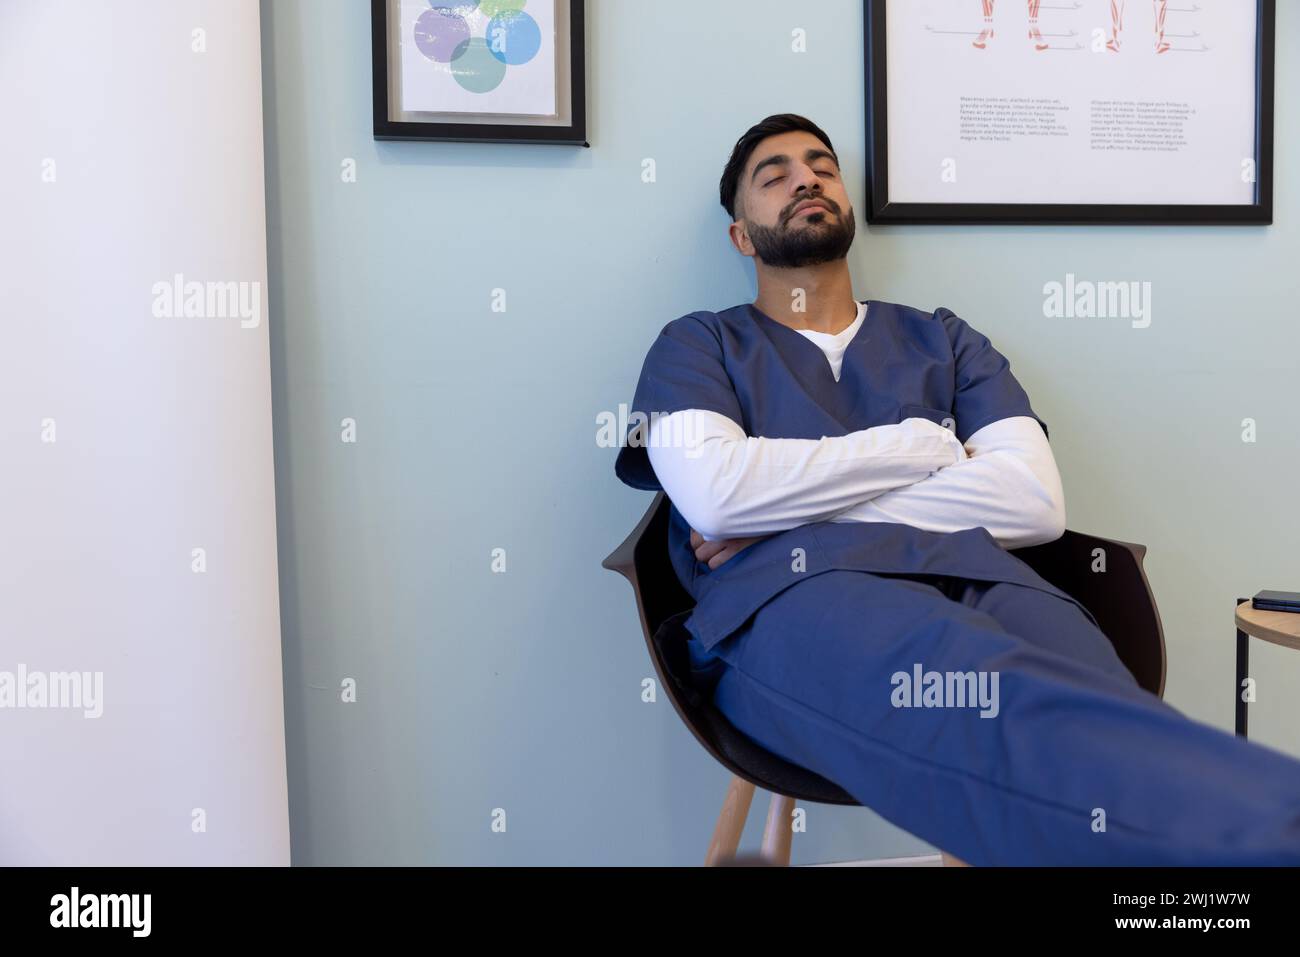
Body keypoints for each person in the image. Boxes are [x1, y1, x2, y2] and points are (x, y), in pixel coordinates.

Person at [613, 113, 1300, 865]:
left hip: (985, 578)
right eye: (775, 177)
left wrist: (790, 512)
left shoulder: (943, 338)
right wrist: (926, 445)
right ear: (742, 236)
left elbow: (1032, 502)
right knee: (992, 701)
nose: (807, 179)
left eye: (823, 167)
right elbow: (716, 497)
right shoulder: (698, 344)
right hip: (791, 598)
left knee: (1099, 695)